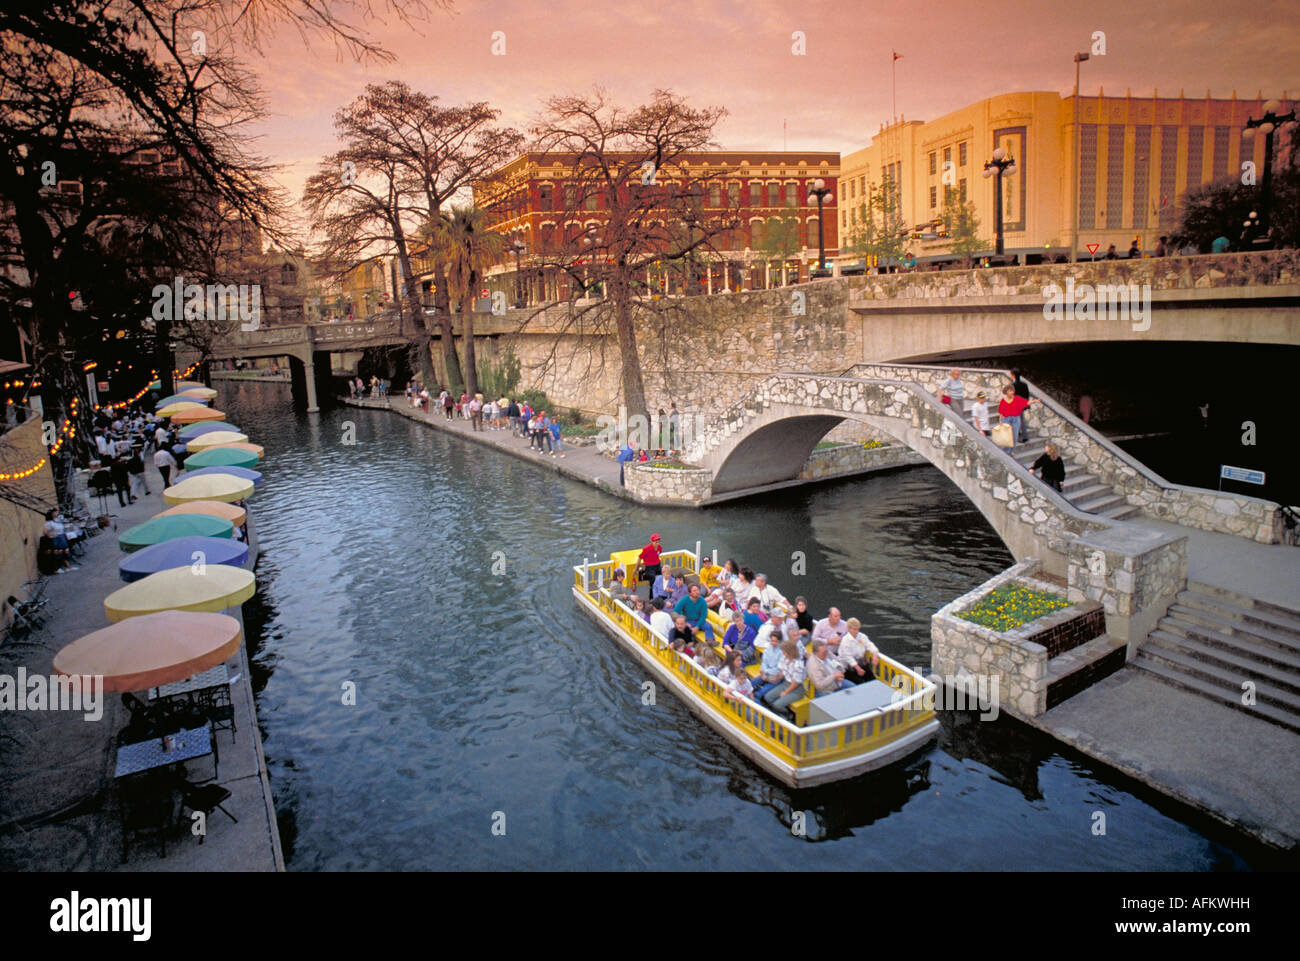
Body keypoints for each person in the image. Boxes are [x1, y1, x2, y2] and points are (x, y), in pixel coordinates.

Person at [763, 639, 807, 720]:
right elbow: (782, 673)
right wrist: (773, 678)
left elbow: (796, 683)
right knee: (768, 697)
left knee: (777, 705)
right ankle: (778, 714)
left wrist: (786, 692)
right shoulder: (784, 659)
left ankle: (789, 715)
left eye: (784, 652)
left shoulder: (798, 665)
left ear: (789, 652)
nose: (783, 653)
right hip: (785, 683)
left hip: (796, 689)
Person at [752, 627, 788, 705]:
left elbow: (778, 669)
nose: (773, 643)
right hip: (766, 673)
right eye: (772, 641)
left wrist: (766, 672)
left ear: (779, 641)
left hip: (776, 677)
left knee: (760, 693)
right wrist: (764, 673)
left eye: (775, 641)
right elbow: (764, 663)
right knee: (752, 683)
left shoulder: (782, 652)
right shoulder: (768, 649)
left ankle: (757, 703)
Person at [997, 384, 1032, 451]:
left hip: (1016, 419)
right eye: (1010, 391)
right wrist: (1000, 421)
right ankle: (1006, 451)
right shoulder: (1003, 400)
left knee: (1014, 436)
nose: (1012, 392)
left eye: (1012, 391)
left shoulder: (1017, 398)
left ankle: (1012, 450)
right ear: (1006, 392)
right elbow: (1001, 411)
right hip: (1006, 419)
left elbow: (1026, 402)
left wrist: (1035, 401)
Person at [1011, 370, 1032, 443]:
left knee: (1019, 421)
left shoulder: (1013, 385)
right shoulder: (1024, 384)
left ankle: (1022, 437)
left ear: (1013, 375)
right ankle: (1023, 436)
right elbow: (1027, 395)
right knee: (1021, 419)